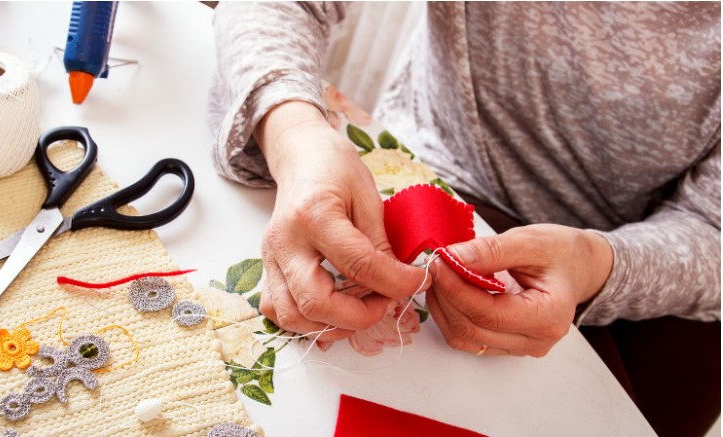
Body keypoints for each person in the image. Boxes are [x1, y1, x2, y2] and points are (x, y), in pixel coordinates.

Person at [207, 3, 720, 435]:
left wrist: (598, 264)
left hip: (628, 274)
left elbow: (711, 226)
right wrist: (294, 132)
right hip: (414, 170)